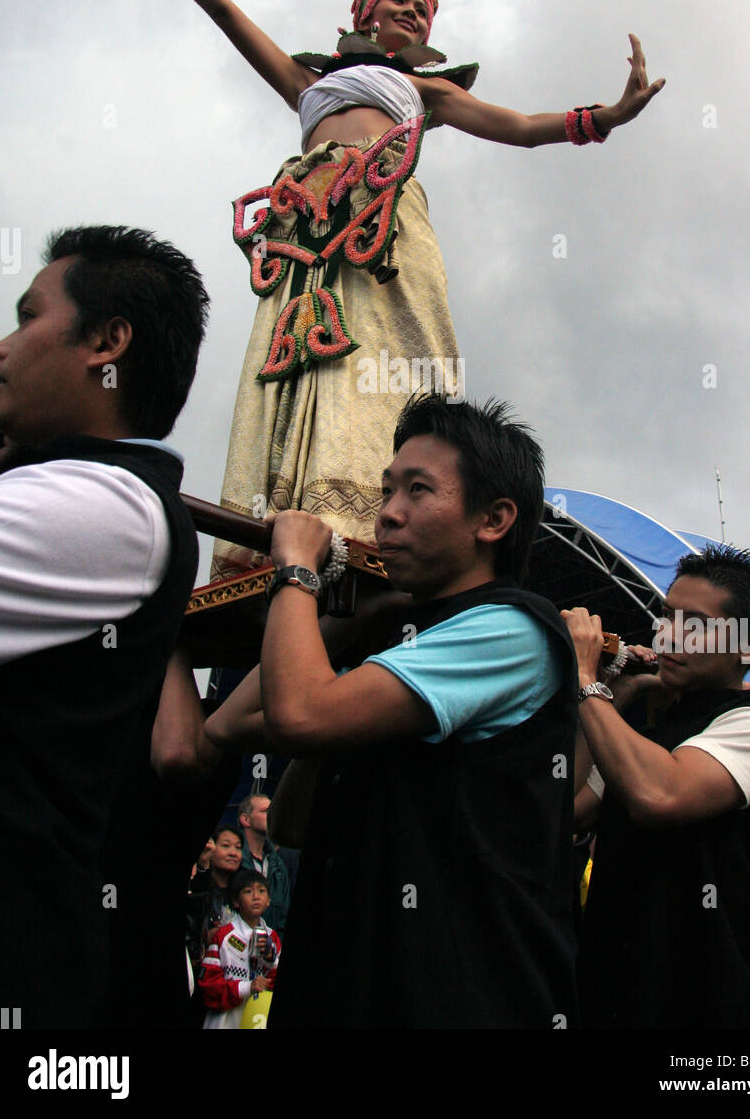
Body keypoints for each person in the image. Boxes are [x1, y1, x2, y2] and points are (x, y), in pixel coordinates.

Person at [127, 0, 665, 563]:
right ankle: (282, 515)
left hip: (383, 218)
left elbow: (520, 124)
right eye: (399, 1)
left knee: (389, 347)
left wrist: (601, 118)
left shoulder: (424, 88)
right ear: (365, 11)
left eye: (422, 7)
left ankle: (376, 504)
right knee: (297, 356)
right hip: (303, 228)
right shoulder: (310, 80)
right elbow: (231, 19)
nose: (412, 12)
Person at [206, 392, 580, 1028]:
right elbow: (231, 726)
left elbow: (297, 715)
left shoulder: (511, 630)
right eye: (386, 492)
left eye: (417, 491)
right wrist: (347, 623)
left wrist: (297, 571)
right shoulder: (403, 640)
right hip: (348, 985)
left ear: (493, 520)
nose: (387, 517)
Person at [0, 224, 209, 1028]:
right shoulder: (58, 486)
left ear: (107, 342)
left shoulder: (105, 503)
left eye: (26, 316)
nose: (0, 349)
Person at [566, 544, 750, 1029]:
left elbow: (659, 795)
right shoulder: (647, 727)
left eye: (696, 624)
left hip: (718, 1013)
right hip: (620, 997)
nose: (669, 634)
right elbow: (568, 811)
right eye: (667, 615)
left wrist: (584, 679)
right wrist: (616, 696)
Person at [199, 869, 281, 1030]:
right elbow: (208, 987)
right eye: (248, 891)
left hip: (259, 1017)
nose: (256, 896)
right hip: (226, 1019)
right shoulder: (224, 935)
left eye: (261, 891)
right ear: (236, 901)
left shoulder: (273, 938)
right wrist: (246, 988)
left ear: (269, 900)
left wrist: (271, 960)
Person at [237, 792, 291, 935]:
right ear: (246, 819)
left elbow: (284, 917)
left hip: (271, 950)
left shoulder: (278, 866)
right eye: (266, 811)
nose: (272, 816)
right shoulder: (234, 860)